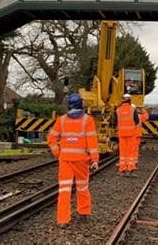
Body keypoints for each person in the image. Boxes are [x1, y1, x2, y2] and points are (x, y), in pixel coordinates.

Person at [47, 93, 99, 228]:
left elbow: (51, 139)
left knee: (64, 190)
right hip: (81, 160)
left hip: (65, 160)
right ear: (81, 105)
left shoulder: (61, 120)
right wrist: (94, 160)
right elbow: (92, 142)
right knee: (82, 187)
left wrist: (58, 153)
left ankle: (63, 220)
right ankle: (84, 213)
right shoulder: (88, 120)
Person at [116, 94, 140, 177]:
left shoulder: (118, 110)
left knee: (122, 152)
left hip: (121, 134)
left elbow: (115, 121)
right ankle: (131, 169)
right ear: (130, 100)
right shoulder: (133, 110)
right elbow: (137, 121)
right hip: (131, 134)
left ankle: (122, 169)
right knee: (131, 152)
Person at [133, 105, 149, 171]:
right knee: (135, 149)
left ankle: (129, 162)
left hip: (130, 135)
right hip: (137, 135)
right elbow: (146, 117)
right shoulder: (139, 116)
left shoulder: (128, 115)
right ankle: (134, 162)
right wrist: (143, 110)